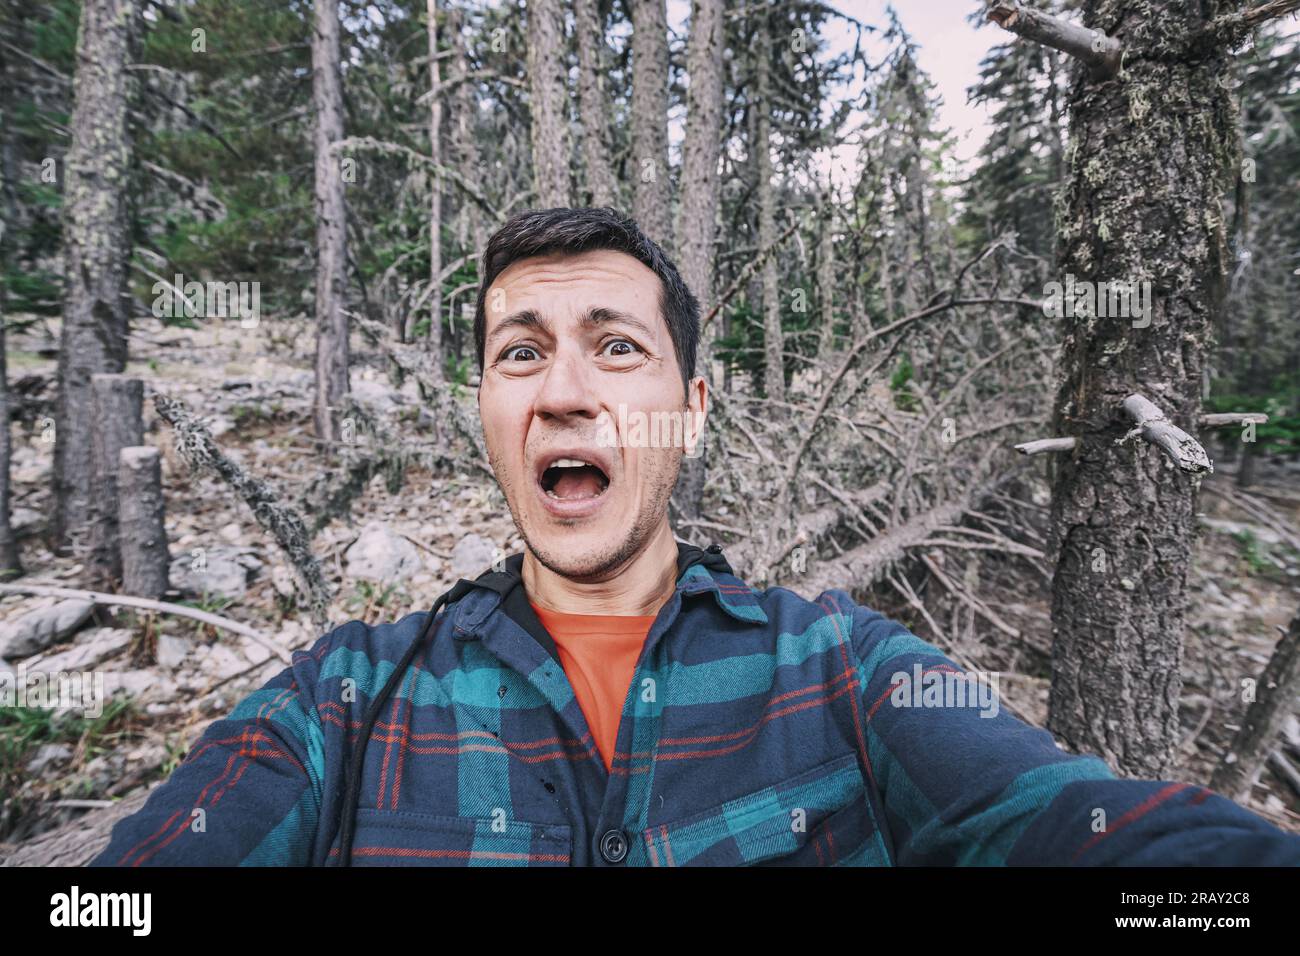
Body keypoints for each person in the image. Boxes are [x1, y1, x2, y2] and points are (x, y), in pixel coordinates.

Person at [92, 207, 1300, 866]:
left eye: (617, 345)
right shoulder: (348, 700)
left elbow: (1074, 817)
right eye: (520, 352)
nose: (563, 389)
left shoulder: (843, 665)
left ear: (691, 407)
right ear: (486, 410)